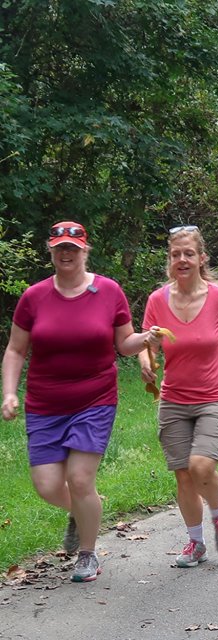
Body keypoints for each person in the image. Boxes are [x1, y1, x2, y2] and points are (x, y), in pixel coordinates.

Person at [2, 221, 160, 583]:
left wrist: (147, 339)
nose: (66, 254)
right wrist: (10, 392)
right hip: (44, 403)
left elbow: (124, 344)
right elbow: (15, 350)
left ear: (85, 251)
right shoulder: (34, 297)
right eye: (59, 248)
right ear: (51, 252)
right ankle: (83, 511)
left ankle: (87, 555)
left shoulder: (108, 291)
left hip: (95, 398)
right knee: (46, 485)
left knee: (80, 478)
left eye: (73, 248)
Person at [139, 225, 218, 568]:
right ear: (169, 260)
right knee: (183, 475)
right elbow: (148, 343)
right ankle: (195, 543)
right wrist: (146, 364)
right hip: (174, 398)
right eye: (176, 254)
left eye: (189, 253)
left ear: (201, 258)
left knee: (200, 466)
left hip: (214, 396)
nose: (182, 260)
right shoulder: (157, 300)